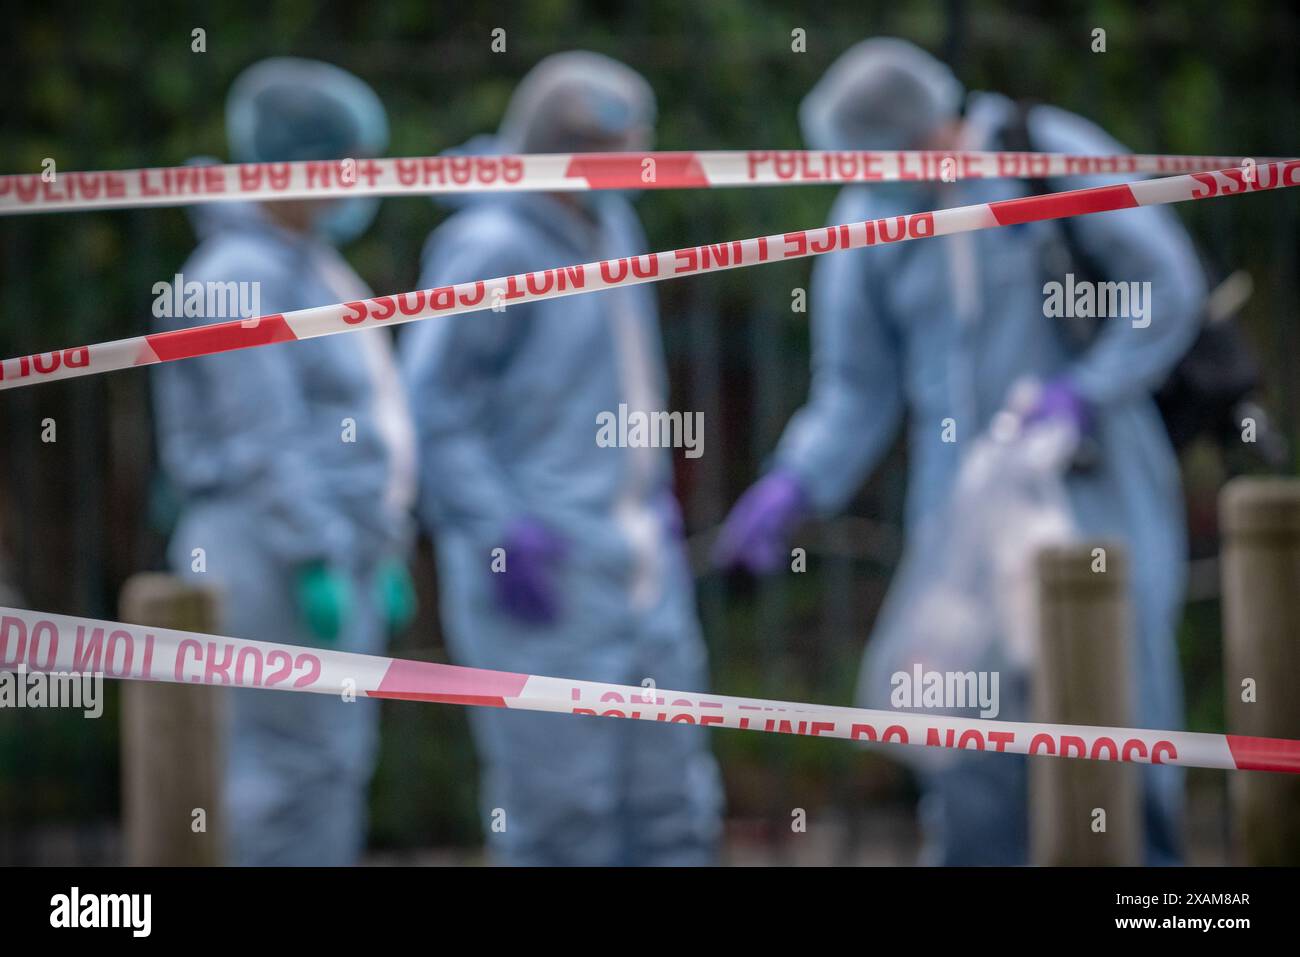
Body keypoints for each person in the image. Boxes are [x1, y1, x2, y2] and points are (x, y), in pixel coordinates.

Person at [714, 38, 1205, 865]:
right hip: (963, 519)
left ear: (926, 130)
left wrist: (1090, 387)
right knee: (971, 746)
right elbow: (856, 390)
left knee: (1119, 723)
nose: (874, 182)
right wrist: (793, 482)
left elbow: (1167, 284)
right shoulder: (867, 220)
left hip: (1094, 485)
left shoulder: (1045, 154)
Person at [402, 51, 722, 866]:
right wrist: (497, 528)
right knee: (561, 818)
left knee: (674, 807)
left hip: (637, 564)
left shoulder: (607, 222)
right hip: (542, 576)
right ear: (570, 148)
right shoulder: (489, 247)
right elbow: (433, 409)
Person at [152, 57, 417, 866]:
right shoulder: (234, 275)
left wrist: (382, 549)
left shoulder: (304, 263)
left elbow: (355, 419)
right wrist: (312, 555)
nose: (359, 183)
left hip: (332, 550)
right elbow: (265, 437)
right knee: (278, 770)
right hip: (268, 552)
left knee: (333, 765)